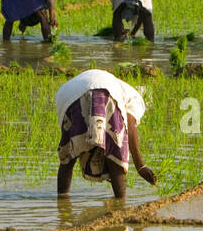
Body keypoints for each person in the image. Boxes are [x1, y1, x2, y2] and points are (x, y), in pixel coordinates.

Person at [55, 68, 156, 198]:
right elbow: (130, 127)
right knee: (115, 152)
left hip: (68, 95)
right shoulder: (136, 100)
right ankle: (120, 205)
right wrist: (140, 166)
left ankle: (62, 201)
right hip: (105, 93)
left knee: (68, 156)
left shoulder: (120, 87)